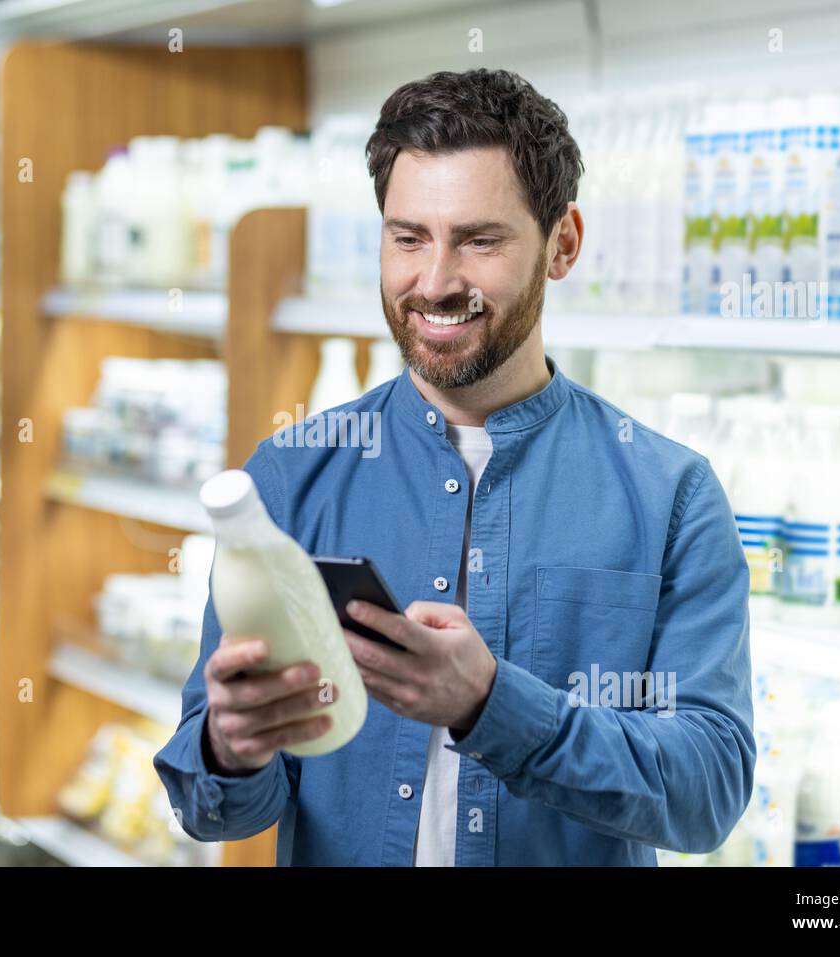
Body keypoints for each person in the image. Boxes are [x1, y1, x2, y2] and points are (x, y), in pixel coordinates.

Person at [154, 68, 755, 866]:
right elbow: (216, 810)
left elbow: (706, 792)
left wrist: (490, 703)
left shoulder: (670, 495)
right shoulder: (290, 477)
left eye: (479, 240)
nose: (434, 282)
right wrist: (232, 746)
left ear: (563, 244)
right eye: (408, 238)